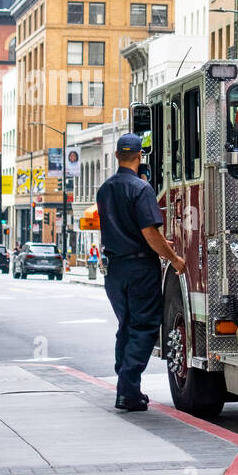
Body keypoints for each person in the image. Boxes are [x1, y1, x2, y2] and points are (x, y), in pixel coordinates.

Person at [96, 133, 186, 412]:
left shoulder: (104, 189)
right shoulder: (141, 189)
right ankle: (127, 389)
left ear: (116, 156)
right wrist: (173, 257)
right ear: (139, 156)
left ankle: (127, 386)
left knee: (126, 327)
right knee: (144, 327)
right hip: (139, 268)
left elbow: (125, 228)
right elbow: (149, 231)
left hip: (114, 269)